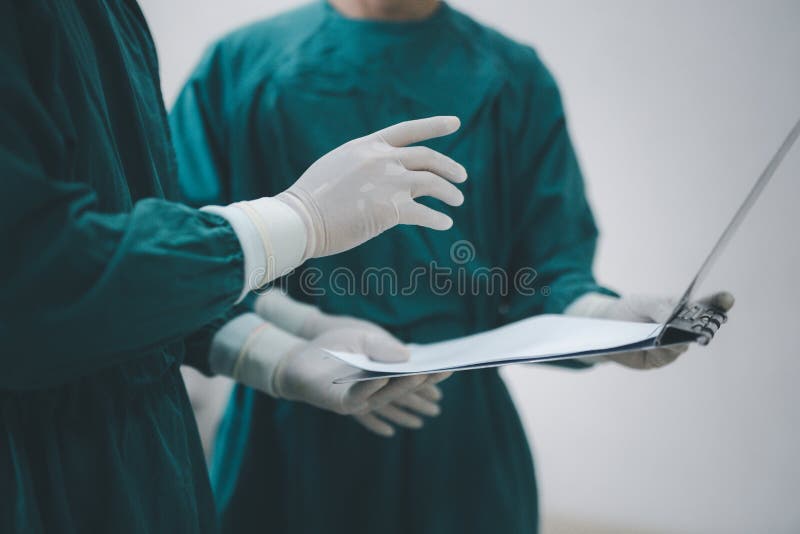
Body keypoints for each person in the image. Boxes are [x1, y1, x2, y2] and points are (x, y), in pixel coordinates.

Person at [170, 1, 735, 533]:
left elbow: (549, 277)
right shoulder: (241, 67)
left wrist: (610, 322)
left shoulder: (512, 77)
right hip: (286, 439)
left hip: (458, 438)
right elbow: (190, 261)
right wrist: (288, 348)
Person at [0, 1, 468, 532]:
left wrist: (277, 347)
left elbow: (135, 258)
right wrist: (297, 220)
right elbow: (33, 282)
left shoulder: (109, 15)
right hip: (43, 476)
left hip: (146, 463)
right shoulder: (239, 60)